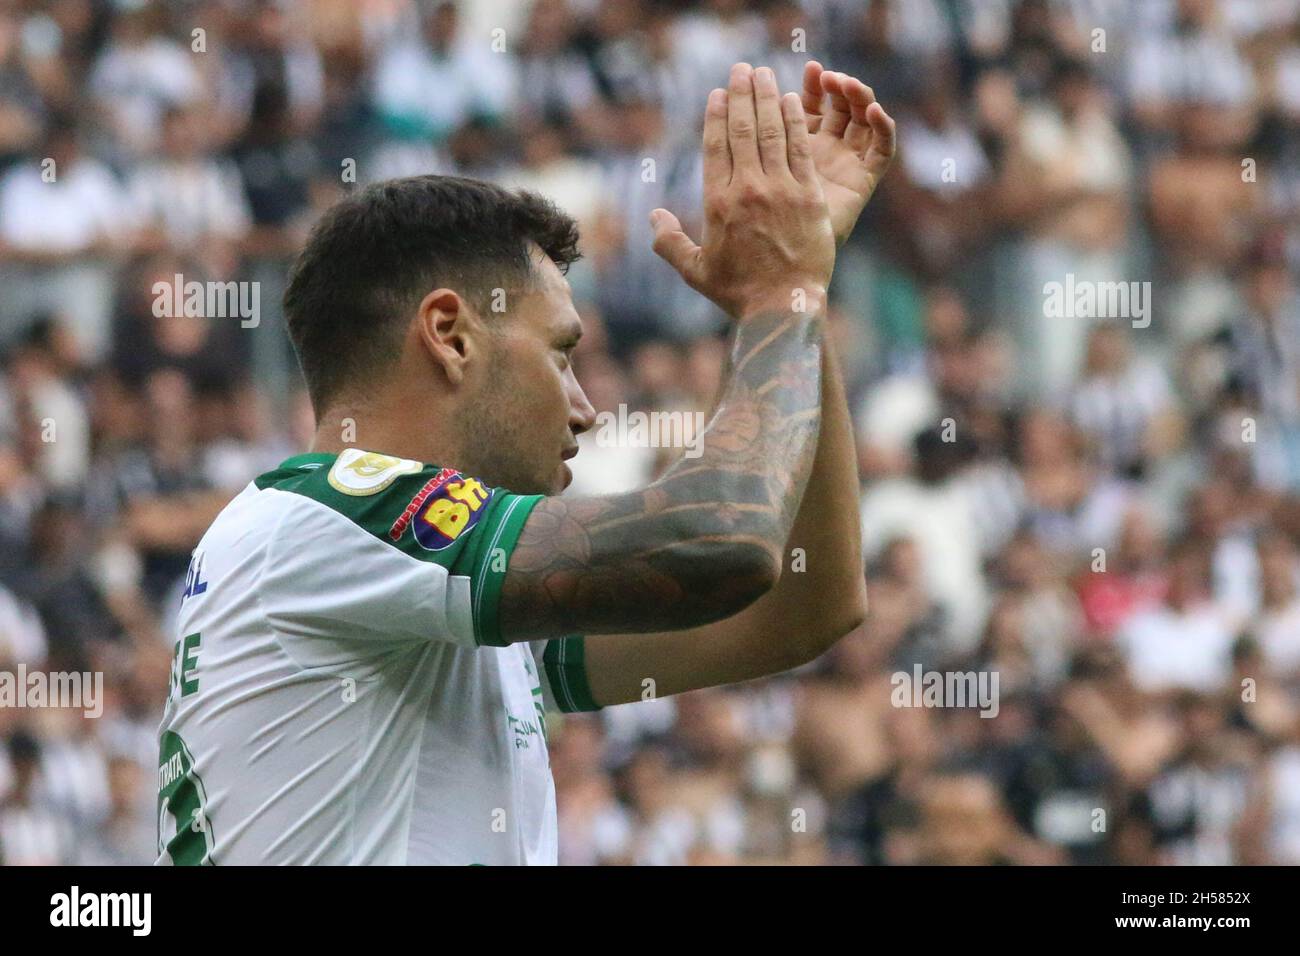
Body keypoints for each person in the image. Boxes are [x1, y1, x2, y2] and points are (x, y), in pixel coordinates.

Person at [154, 61, 895, 865]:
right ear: (452, 334)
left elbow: (804, 600)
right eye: (560, 355)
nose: (585, 406)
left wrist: (804, 292)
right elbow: (726, 539)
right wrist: (774, 295)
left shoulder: (423, 586)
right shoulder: (332, 512)